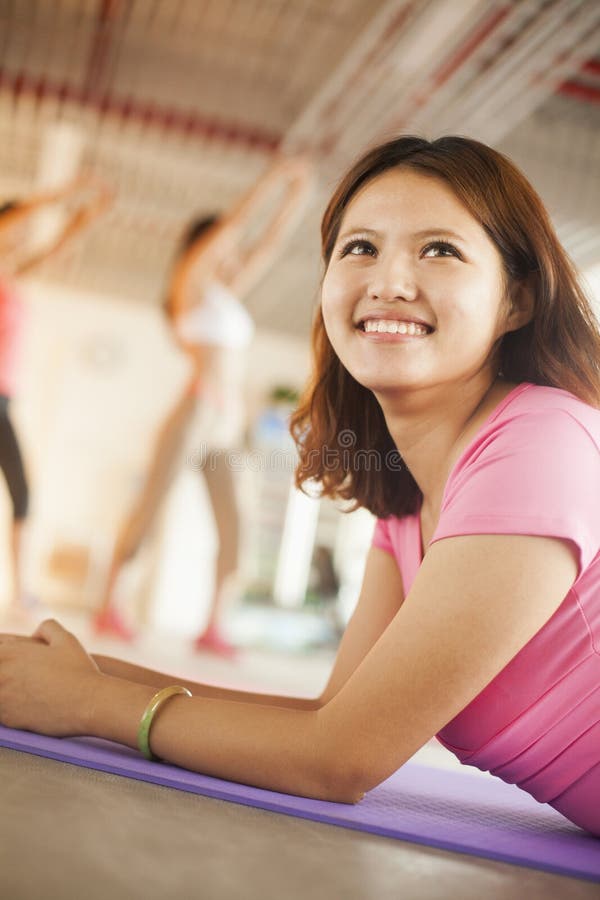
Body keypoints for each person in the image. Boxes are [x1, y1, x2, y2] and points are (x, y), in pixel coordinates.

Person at [0, 135, 598, 837]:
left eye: (440, 249)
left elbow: (340, 756)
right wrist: (87, 673)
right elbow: (332, 711)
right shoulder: (406, 494)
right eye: (359, 248)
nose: (388, 281)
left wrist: (87, 704)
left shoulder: (542, 442)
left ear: (517, 300)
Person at [92, 155, 314, 652]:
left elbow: (269, 243)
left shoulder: (224, 294)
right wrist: (274, 176)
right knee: (152, 505)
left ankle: (213, 625)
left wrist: (298, 194)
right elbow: (238, 224)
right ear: (206, 246)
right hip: (198, 407)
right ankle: (111, 605)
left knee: (233, 521)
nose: (236, 254)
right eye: (227, 247)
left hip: (228, 424)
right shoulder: (189, 284)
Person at [0, 177, 112, 616]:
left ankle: (19, 589)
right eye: (17, 231)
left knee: (23, 494)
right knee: (23, 493)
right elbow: (17, 218)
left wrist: (87, 216)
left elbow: (57, 245)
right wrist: (63, 193)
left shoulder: (13, 275)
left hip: (5, 402)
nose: (24, 238)